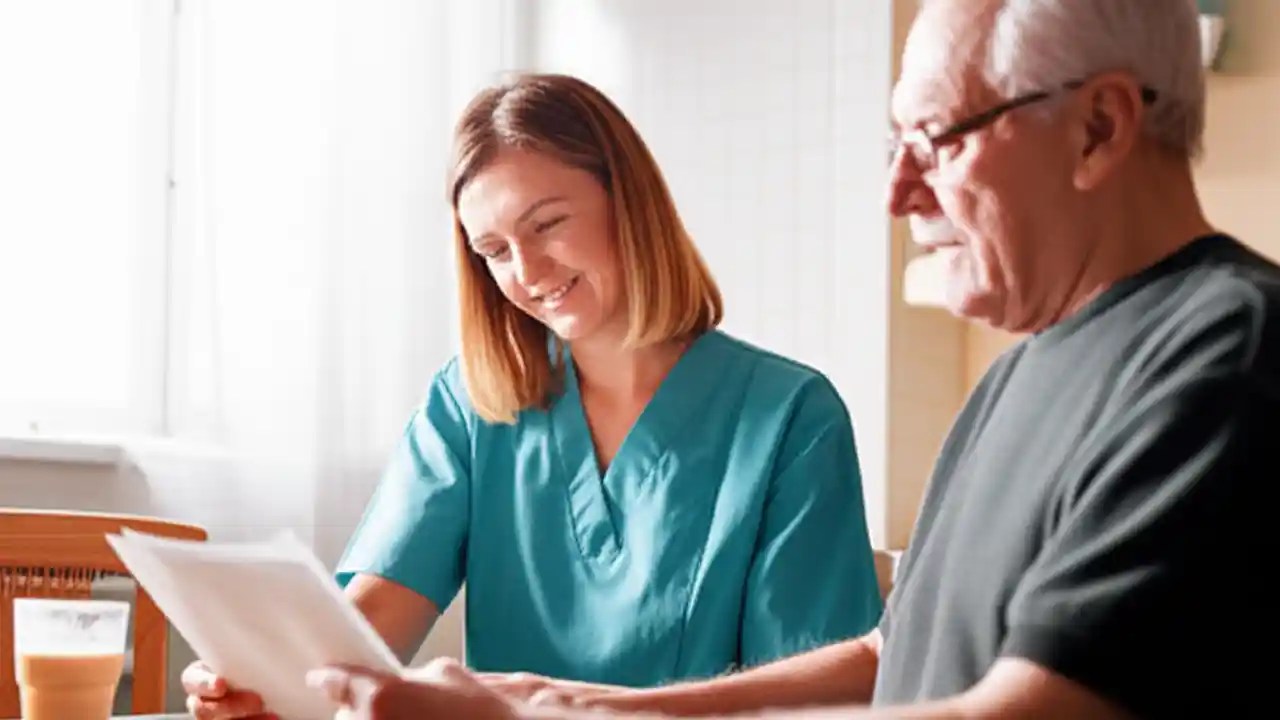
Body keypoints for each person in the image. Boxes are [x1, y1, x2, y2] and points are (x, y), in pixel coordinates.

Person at [301, 0, 1270, 717]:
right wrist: (588, 704)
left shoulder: (1220, 351)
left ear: (1097, 128)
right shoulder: (1019, 376)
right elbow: (886, 654)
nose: (896, 193)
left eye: (931, 140)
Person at [181, 72, 884, 719]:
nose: (528, 271)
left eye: (547, 224)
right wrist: (265, 678)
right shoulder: (471, 405)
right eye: (493, 250)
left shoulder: (790, 419)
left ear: (627, 200)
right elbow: (369, 624)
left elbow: (813, 695)